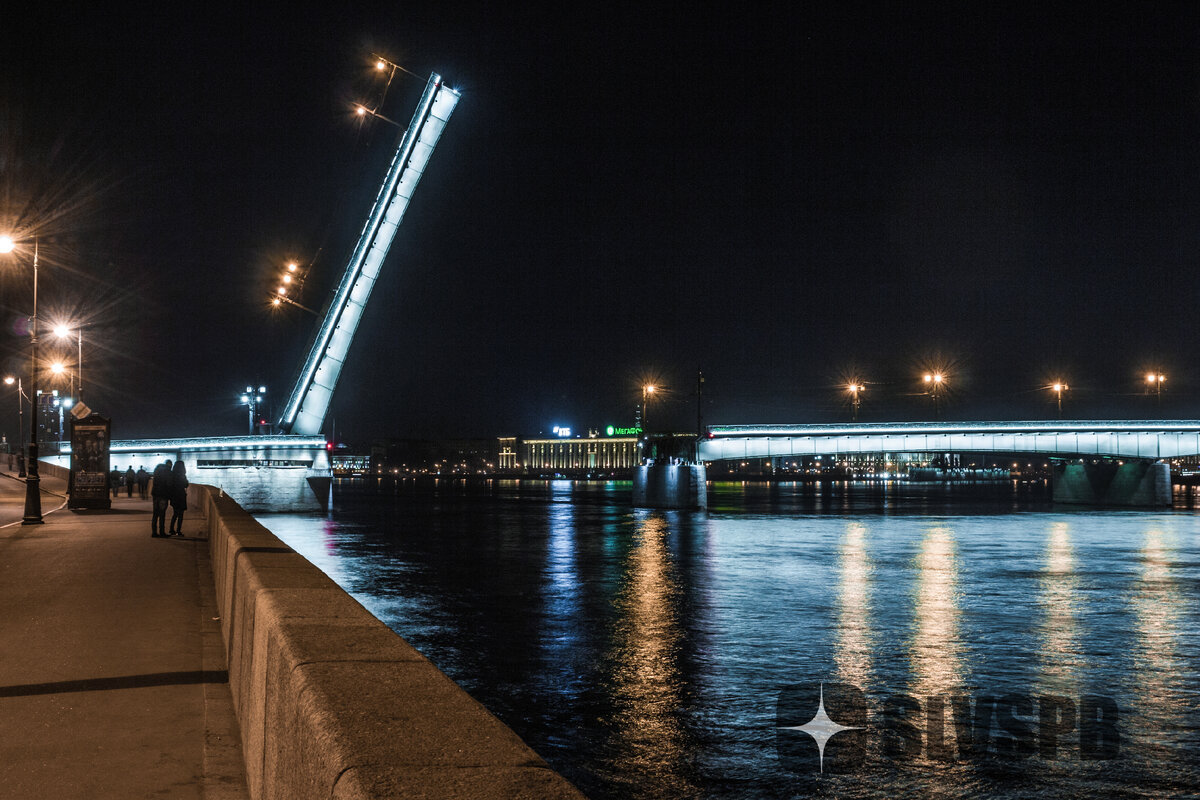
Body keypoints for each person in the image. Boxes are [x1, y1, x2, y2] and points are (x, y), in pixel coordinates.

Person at [151, 460, 173, 538]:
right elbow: (169, 484)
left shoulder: (157, 471)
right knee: (162, 514)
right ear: (169, 465)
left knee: (155, 514)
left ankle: (154, 532)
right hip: (163, 495)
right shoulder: (167, 472)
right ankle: (162, 532)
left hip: (155, 494)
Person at [168, 460, 189, 536]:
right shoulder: (182, 475)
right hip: (181, 496)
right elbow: (186, 485)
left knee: (175, 514)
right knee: (180, 515)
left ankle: (171, 529)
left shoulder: (172, 475)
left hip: (174, 496)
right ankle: (178, 531)